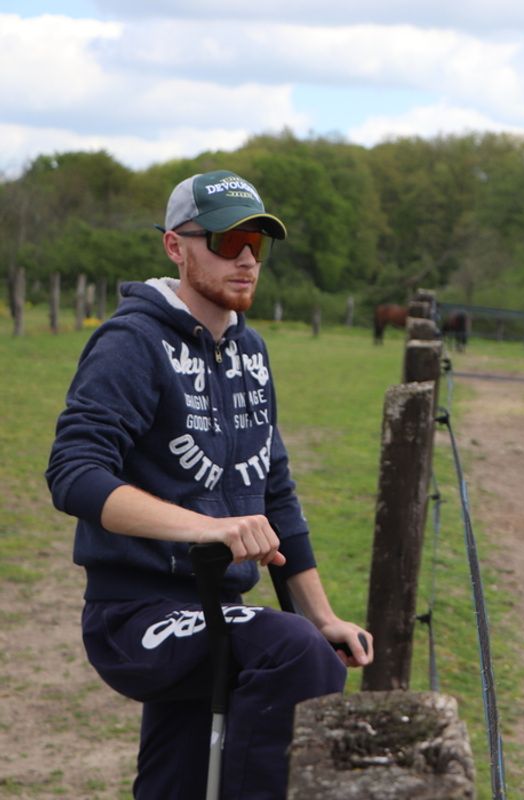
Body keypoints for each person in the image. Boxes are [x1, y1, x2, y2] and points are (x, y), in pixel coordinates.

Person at [46, 169, 373, 799]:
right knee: (293, 654)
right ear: (175, 246)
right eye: (227, 241)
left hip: (217, 607)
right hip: (137, 614)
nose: (247, 257)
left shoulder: (252, 353)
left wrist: (322, 615)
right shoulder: (130, 343)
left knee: (179, 774)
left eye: (257, 241)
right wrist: (207, 527)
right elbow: (73, 473)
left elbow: (273, 493)